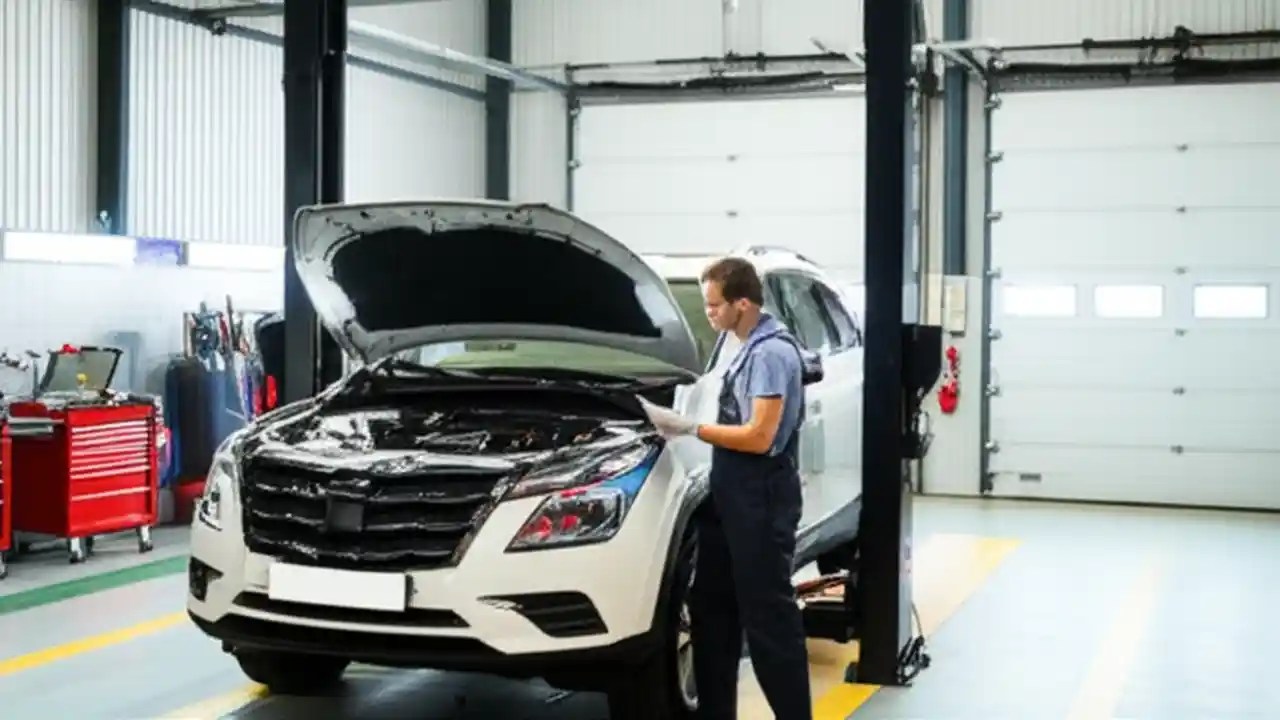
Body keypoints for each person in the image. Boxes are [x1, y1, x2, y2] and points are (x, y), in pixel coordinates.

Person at [638, 256, 812, 720]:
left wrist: (690, 428)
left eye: (715, 305)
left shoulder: (771, 353)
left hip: (761, 496)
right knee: (712, 609)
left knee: (768, 621)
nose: (709, 313)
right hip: (727, 493)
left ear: (743, 302)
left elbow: (760, 436)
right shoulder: (735, 344)